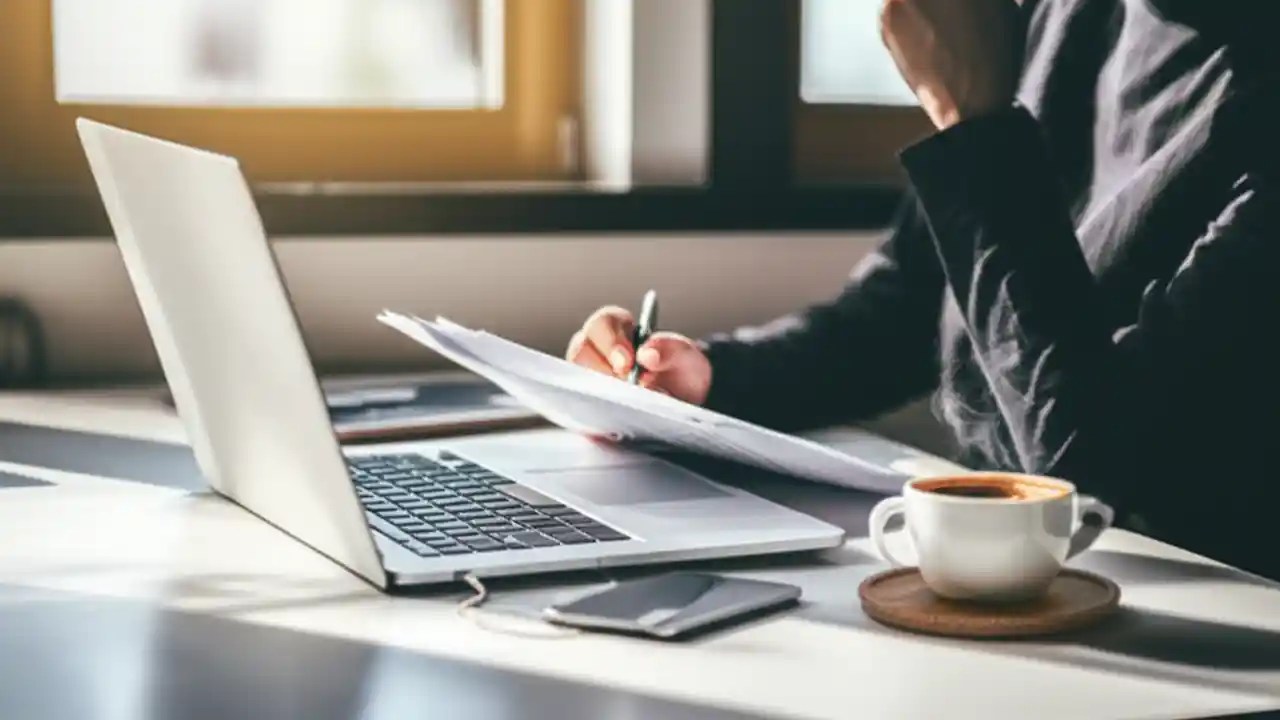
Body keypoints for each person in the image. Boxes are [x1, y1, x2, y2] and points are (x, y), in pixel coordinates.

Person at [566, 0, 1280, 579]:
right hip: (995, 575)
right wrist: (708, 378)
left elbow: (1091, 474)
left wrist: (976, 125)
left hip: (1181, 610)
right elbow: (906, 311)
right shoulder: (1069, 14)